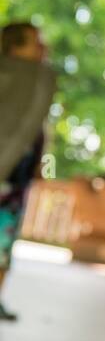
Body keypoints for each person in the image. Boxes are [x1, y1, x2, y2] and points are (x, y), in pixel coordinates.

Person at [0, 22, 53, 322]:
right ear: (13, 48)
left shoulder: (37, 86)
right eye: (34, 43)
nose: (42, 48)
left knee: (5, 242)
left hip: (16, 178)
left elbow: (36, 132)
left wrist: (39, 163)